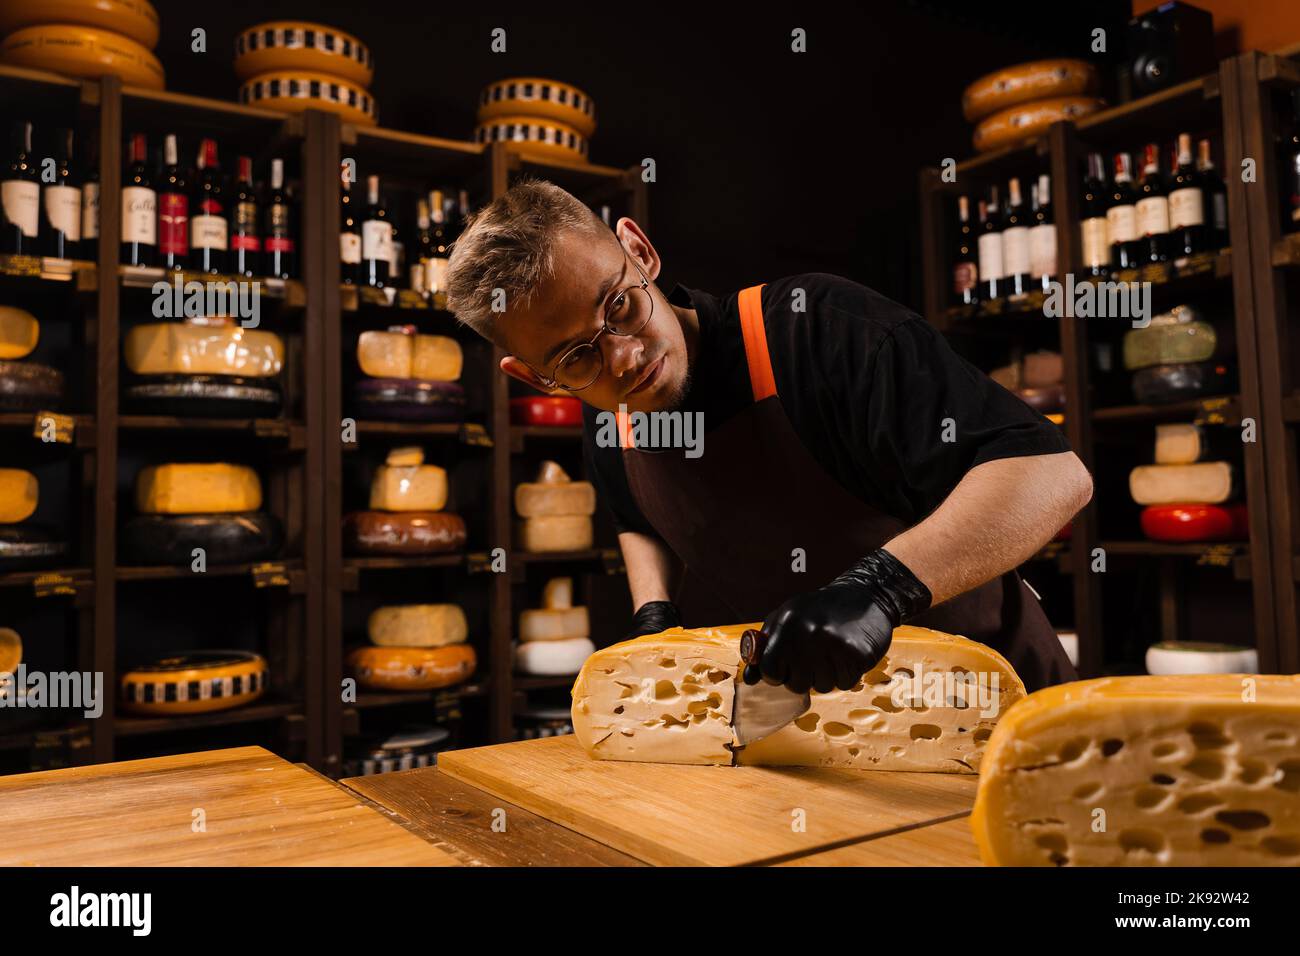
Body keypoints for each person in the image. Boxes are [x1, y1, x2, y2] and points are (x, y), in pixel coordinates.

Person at [446, 180, 1090, 693]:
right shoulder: (605, 406)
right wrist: (655, 618)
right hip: (812, 741)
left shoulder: (817, 329)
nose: (621, 359)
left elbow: (1051, 472)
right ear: (537, 379)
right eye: (578, 359)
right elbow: (635, 518)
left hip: (987, 703)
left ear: (639, 251)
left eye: (619, 306)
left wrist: (879, 590)